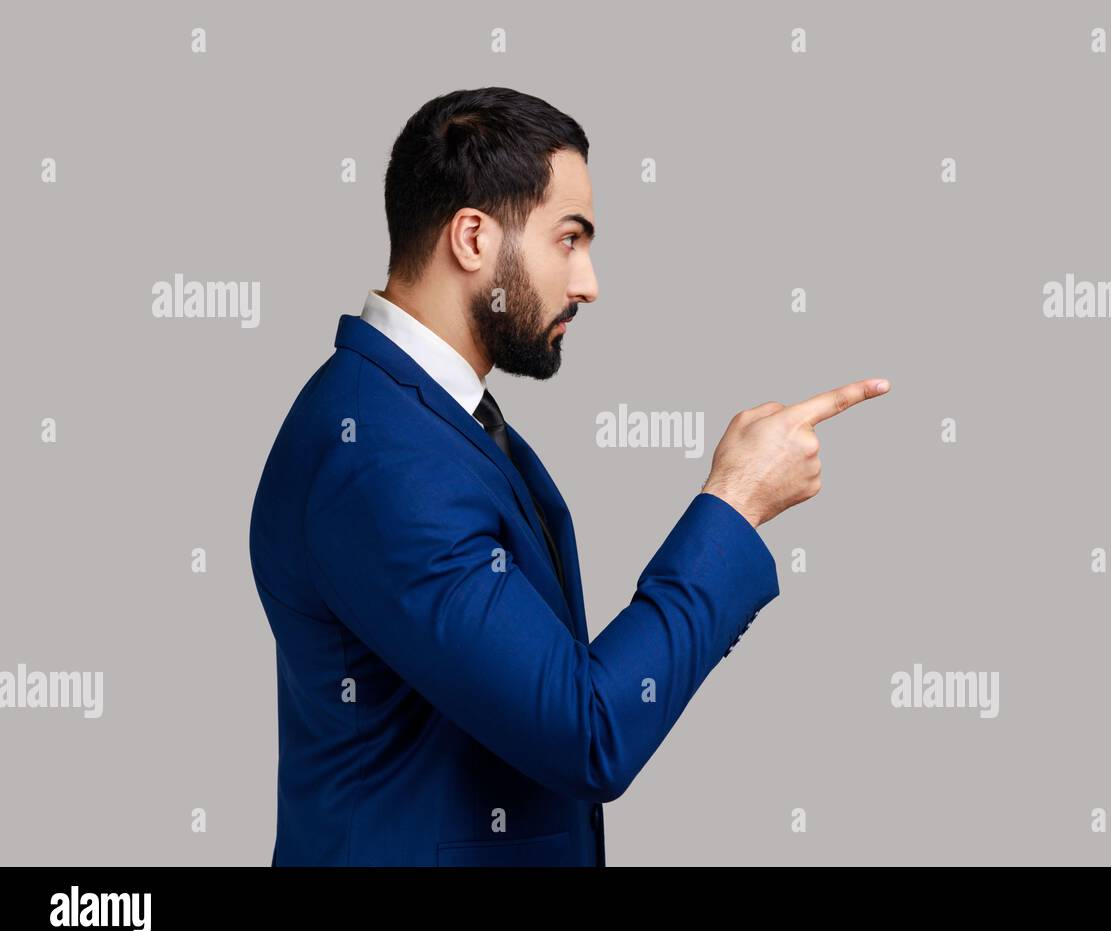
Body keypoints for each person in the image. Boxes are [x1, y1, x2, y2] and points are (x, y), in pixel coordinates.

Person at [248, 86, 890, 866]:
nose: (588, 283)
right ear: (473, 238)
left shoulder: (423, 420)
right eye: (569, 239)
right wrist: (734, 505)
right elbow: (586, 731)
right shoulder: (381, 457)